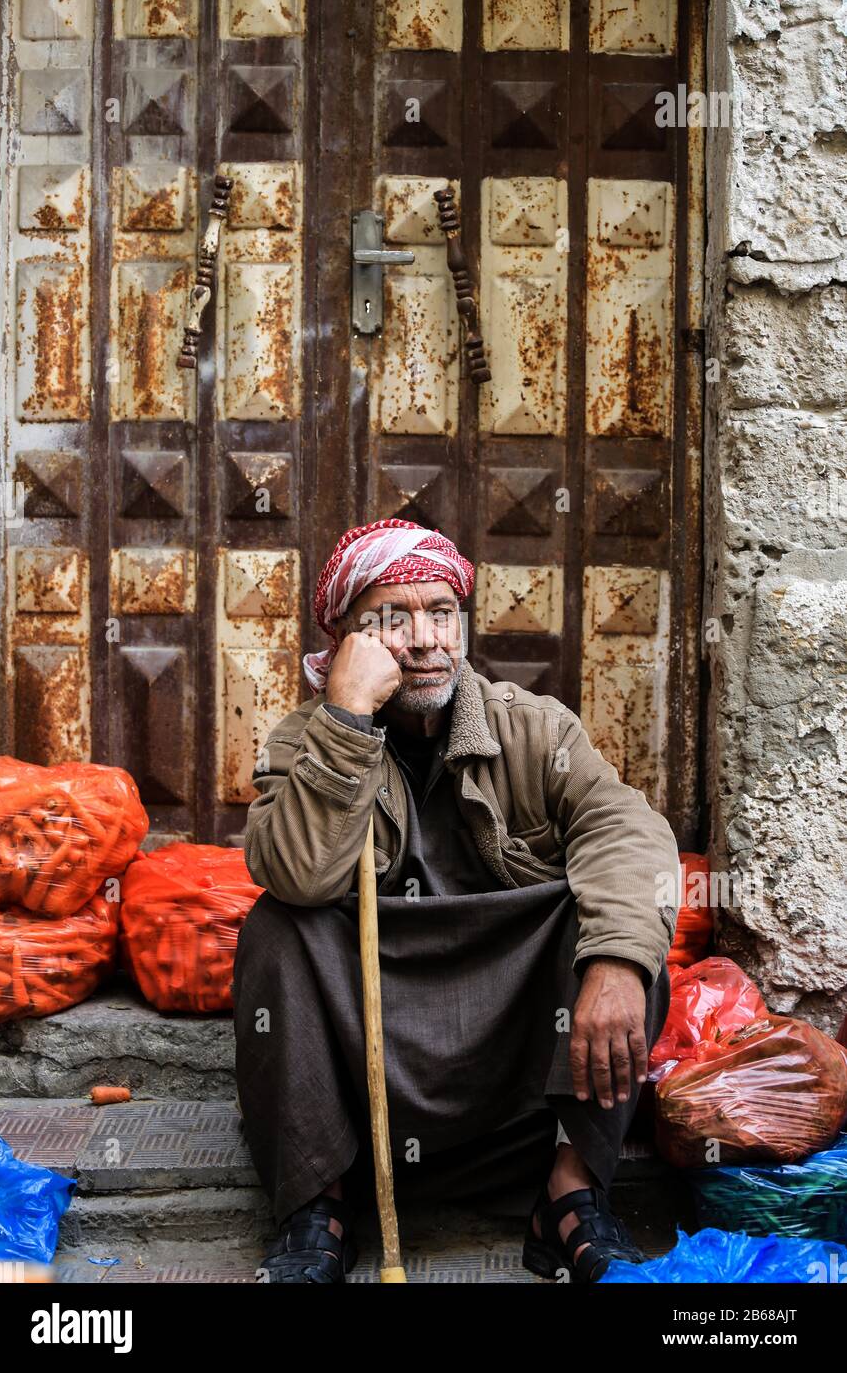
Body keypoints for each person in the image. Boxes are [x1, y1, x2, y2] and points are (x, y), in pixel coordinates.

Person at [233, 518, 679, 1284]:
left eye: (441, 612)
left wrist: (614, 964)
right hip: (371, 1028)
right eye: (390, 619)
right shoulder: (302, 740)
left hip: (502, 1039)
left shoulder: (536, 727)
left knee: (619, 935)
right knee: (276, 929)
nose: (424, 638)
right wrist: (345, 724)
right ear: (345, 639)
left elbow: (625, 829)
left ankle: (568, 1196)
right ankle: (320, 1205)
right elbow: (299, 873)